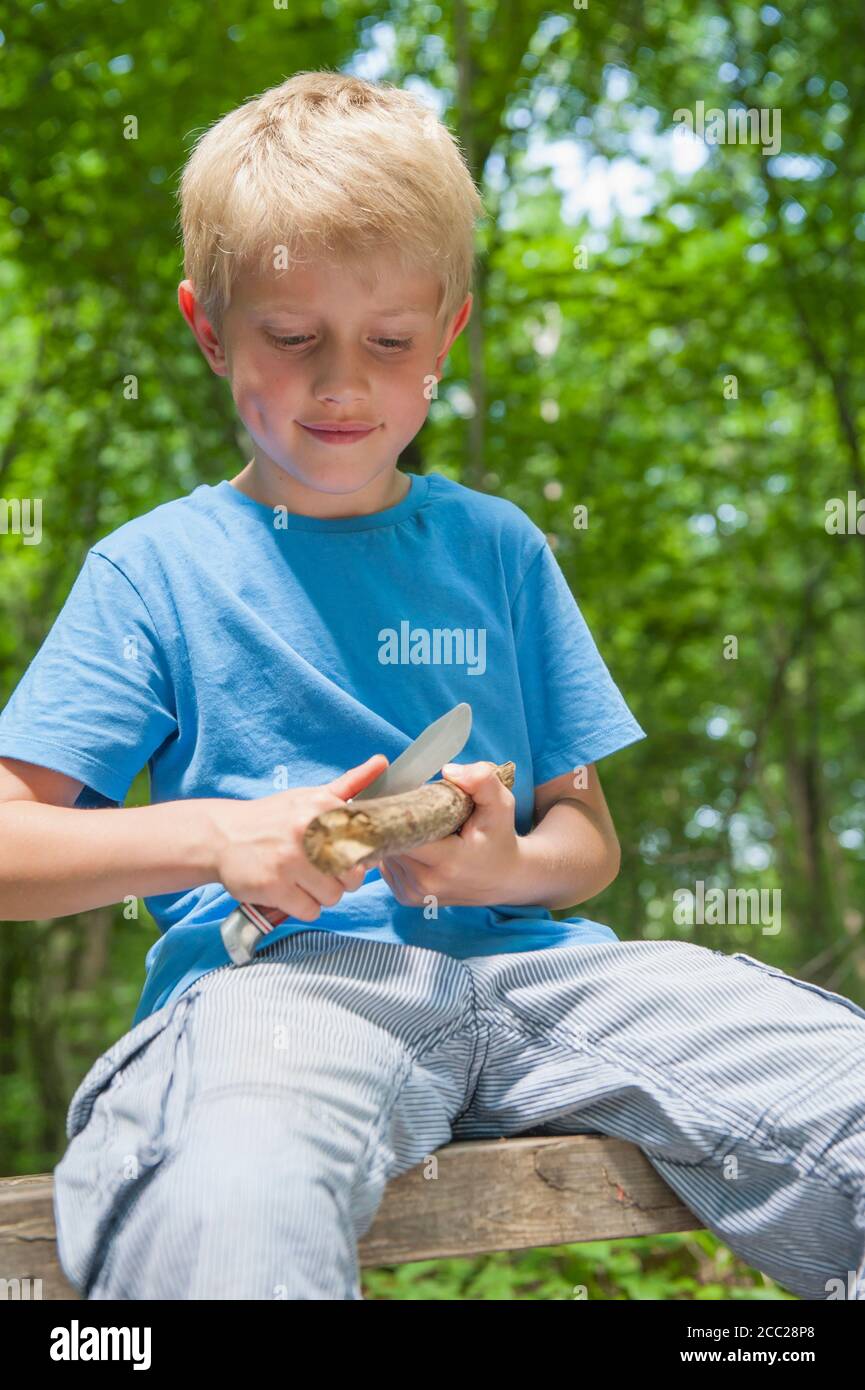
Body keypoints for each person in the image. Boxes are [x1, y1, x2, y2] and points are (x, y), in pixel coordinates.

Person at [1, 71, 863, 1302]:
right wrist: (215, 839)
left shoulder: (501, 547)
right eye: (291, 339)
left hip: (544, 975)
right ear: (207, 328)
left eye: (390, 341)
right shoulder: (151, 571)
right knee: (228, 1201)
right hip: (284, 992)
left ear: (449, 332)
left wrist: (505, 866)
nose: (341, 385)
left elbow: (585, 836)